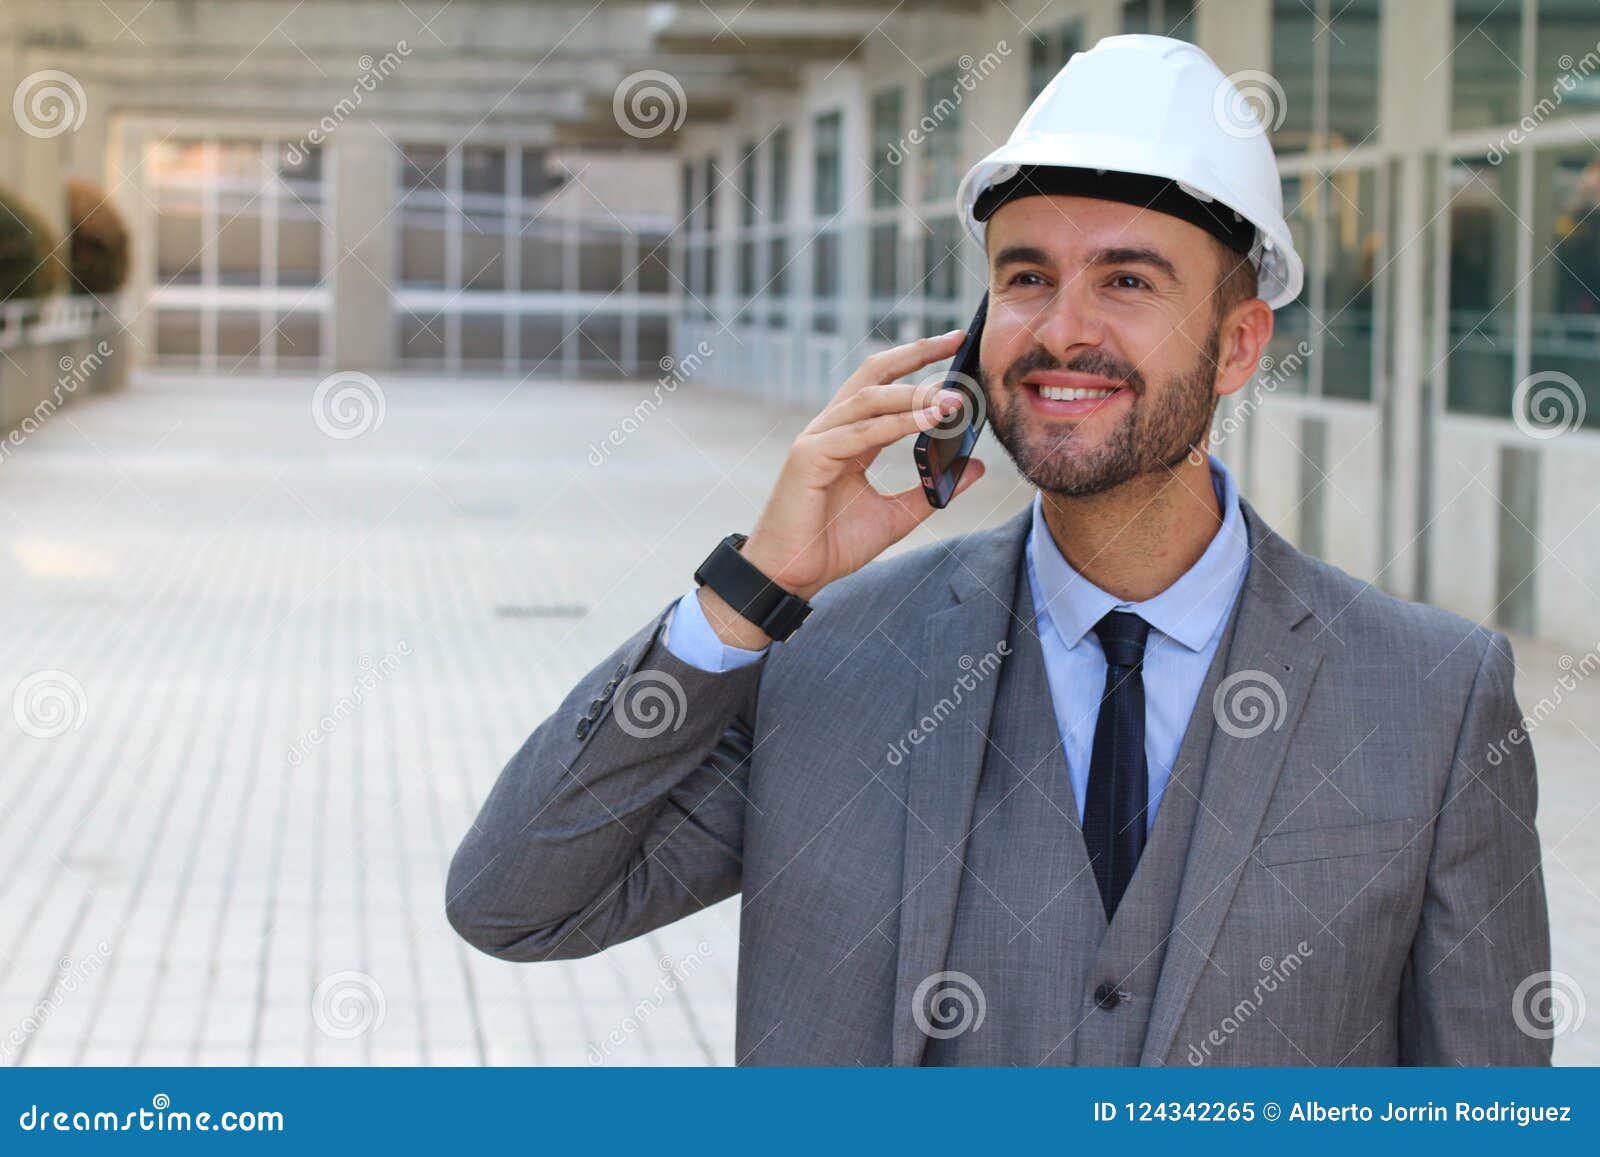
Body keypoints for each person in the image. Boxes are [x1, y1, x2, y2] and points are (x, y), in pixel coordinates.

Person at [447, 35, 1549, 1066]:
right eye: (1026, 276)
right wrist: (752, 590)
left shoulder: (1430, 697)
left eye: (1127, 279)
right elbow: (517, 898)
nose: (1064, 327)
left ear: (1238, 343)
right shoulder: (830, 661)